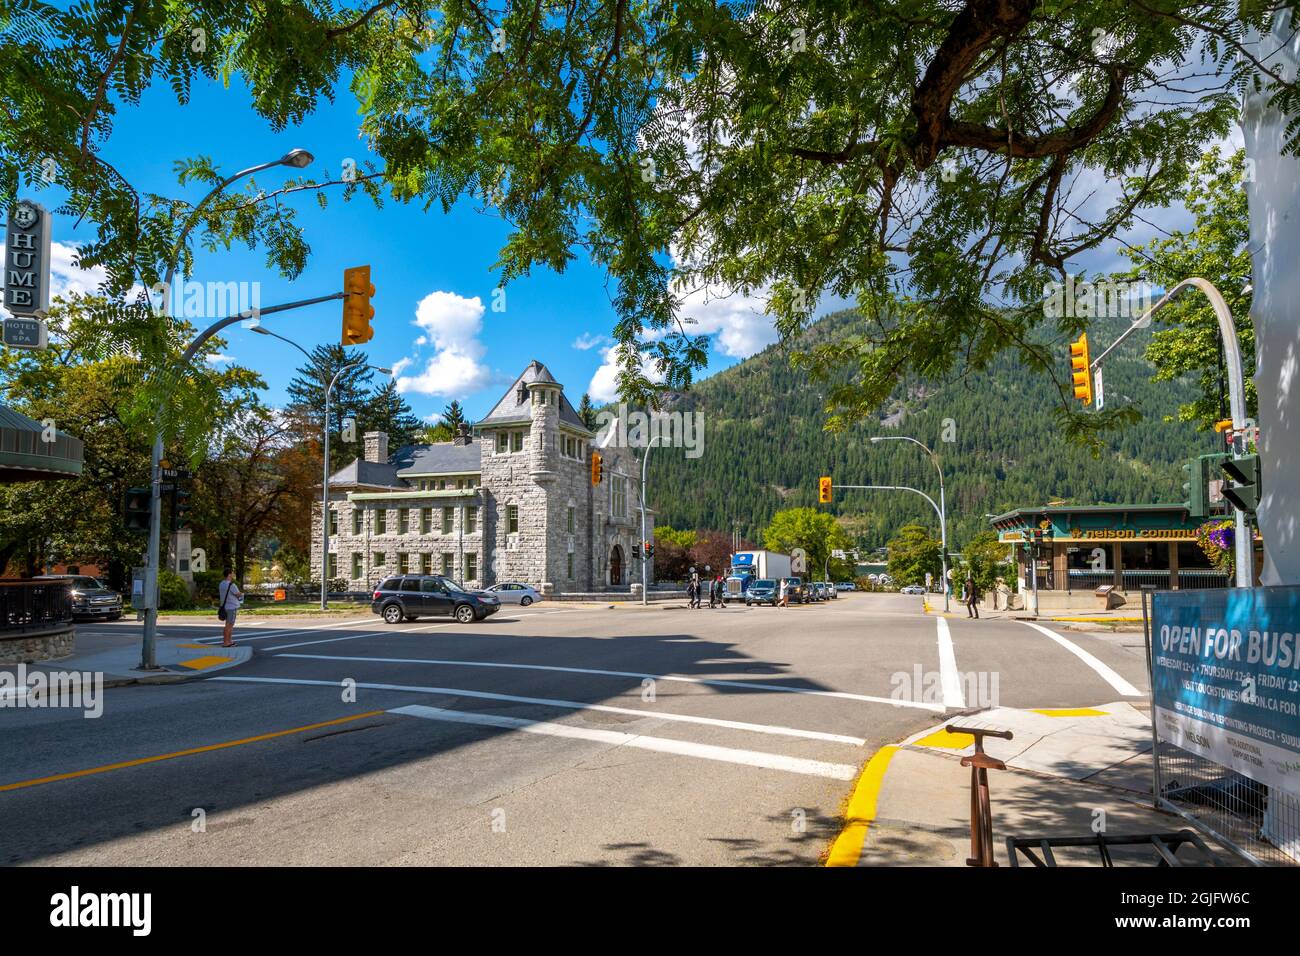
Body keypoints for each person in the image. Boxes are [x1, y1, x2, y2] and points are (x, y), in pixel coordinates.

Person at [219, 568, 243, 646]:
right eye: (232, 573)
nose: (233, 575)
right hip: (231, 607)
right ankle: (226, 642)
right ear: (229, 575)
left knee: (228, 624)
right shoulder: (231, 585)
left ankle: (229, 641)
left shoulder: (221, 583)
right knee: (229, 625)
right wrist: (241, 594)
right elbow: (238, 594)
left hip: (225, 606)